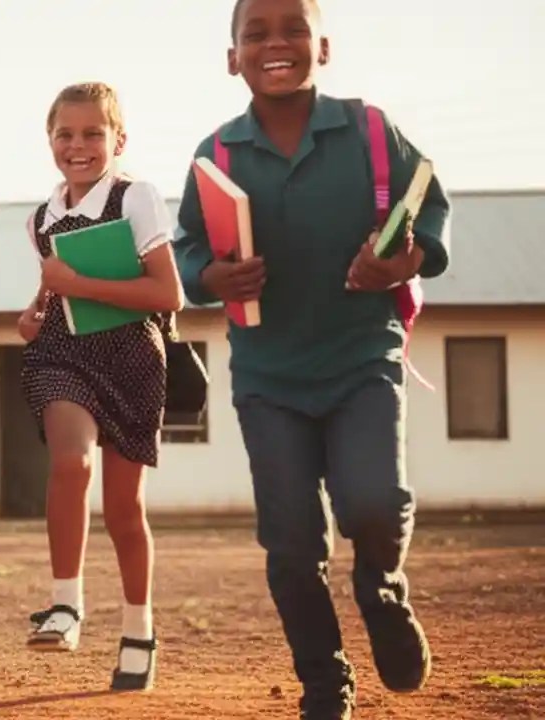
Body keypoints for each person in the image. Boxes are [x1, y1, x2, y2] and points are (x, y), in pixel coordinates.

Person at [172, 1, 451, 717]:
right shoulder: (215, 155)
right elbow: (188, 250)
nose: (276, 42)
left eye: (294, 28)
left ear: (322, 47)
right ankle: (325, 683)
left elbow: (429, 208)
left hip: (362, 358)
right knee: (292, 545)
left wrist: (405, 260)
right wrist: (212, 276)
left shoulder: (370, 131)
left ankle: (381, 589)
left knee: (374, 504)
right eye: (256, 33)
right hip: (269, 377)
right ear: (232, 57)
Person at [18, 82, 183, 692]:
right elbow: (51, 290)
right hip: (61, 353)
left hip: (131, 357)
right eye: (65, 134)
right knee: (72, 462)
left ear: (119, 140)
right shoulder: (41, 218)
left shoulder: (135, 197)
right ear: (50, 140)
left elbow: (168, 294)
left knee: (123, 510)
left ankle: (139, 630)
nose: (78, 145)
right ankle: (65, 603)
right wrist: (33, 313)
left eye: (93, 133)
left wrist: (77, 285)